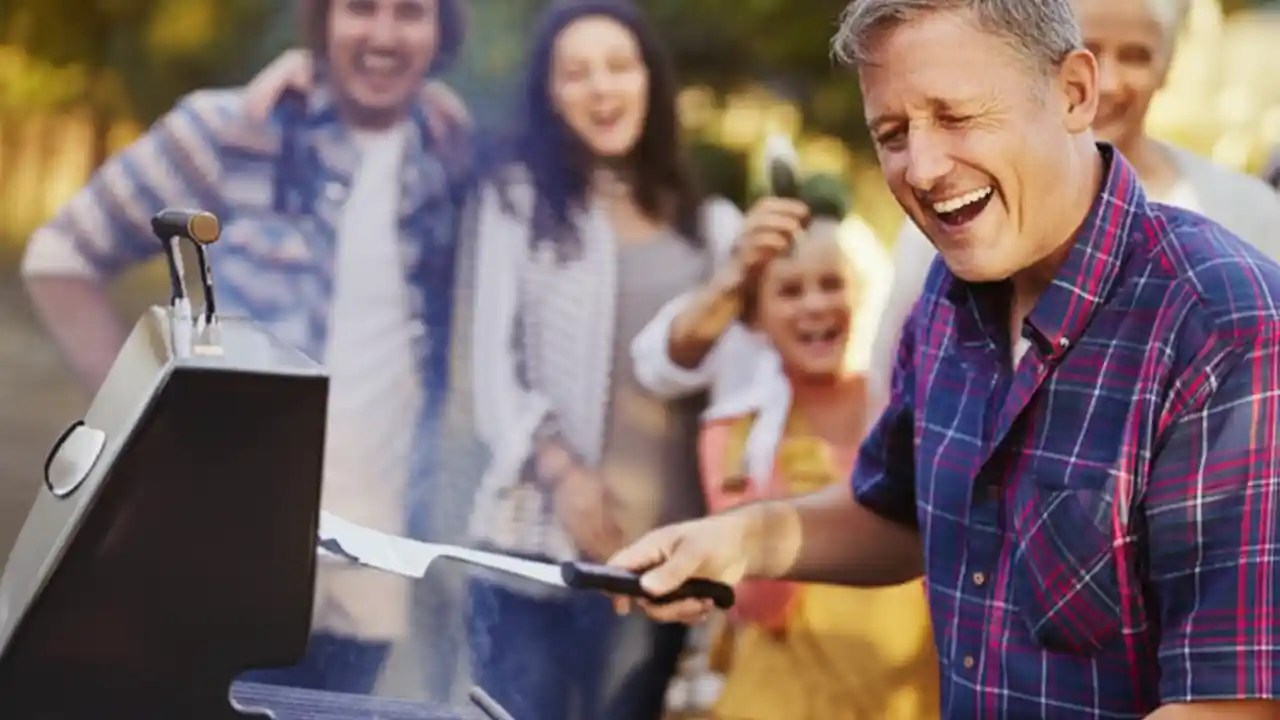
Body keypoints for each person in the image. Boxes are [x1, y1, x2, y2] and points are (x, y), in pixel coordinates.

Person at [608, 1, 1280, 718]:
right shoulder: (948, 291)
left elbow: (1230, 706)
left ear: (1073, 93)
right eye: (892, 134)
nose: (922, 169)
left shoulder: (1224, 326)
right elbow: (901, 514)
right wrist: (733, 540)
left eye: (957, 117)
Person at [20, 0, 471, 695]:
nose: (383, 34)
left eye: (410, 13)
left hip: (370, 569)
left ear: (441, 32)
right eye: (361, 9)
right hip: (225, 544)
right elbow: (60, 256)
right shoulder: (230, 127)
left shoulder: (451, 151)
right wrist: (140, 416)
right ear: (323, 20)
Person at [452, 1, 743, 718]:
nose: (602, 89)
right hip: (535, 556)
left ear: (650, 79)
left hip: (660, 568)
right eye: (576, 73)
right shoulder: (516, 202)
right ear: (549, 95)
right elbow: (489, 373)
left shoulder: (706, 226)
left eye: (619, 66)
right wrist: (563, 474)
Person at [868, 0, 1280, 410]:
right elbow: (889, 408)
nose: (1110, 83)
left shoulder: (1243, 225)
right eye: (1091, 47)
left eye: (1136, 56)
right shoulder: (957, 214)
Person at [693, 216, 940, 719]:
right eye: (789, 290)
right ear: (755, 315)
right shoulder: (737, 437)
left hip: (909, 699)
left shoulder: (914, 414)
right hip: (778, 702)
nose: (814, 304)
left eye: (832, 284)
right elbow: (753, 604)